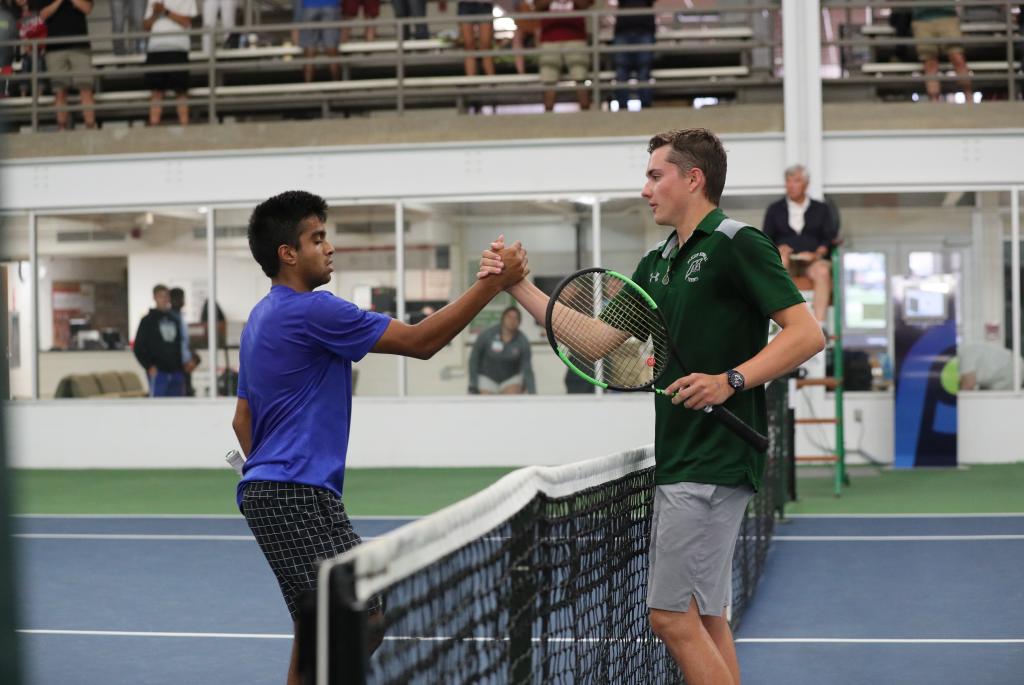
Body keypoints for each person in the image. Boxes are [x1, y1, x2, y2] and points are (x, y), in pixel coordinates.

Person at [482, 128, 823, 685]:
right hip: (683, 457)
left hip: (713, 458)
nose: (645, 189)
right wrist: (517, 285)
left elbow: (806, 334)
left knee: (668, 615)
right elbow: (594, 341)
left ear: (693, 179)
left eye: (654, 175)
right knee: (705, 617)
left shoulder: (738, 243)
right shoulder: (658, 262)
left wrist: (729, 381)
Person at [231, 190, 527, 685]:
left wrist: (269, 469)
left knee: (317, 623)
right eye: (316, 238)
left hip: (280, 490)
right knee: (361, 615)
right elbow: (421, 341)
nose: (329, 248)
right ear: (288, 253)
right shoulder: (314, 310)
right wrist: (494, 287)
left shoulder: (261, 317)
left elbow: (243, 418)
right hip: (293, 494)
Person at [761, 164, 837, 328]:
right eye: (788, 181)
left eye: (796, 181)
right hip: (787, 258)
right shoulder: (774, 209)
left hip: (813, 260)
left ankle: (819, 325)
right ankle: (783, 322)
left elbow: (828, 238)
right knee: (780, 263)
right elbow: (766, 238)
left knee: (822, 271)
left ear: (806, 184)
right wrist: (779, 250)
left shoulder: (821, 209)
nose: (791, 185)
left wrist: (816, 254)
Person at [40, 0, 96, 130]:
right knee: (59, 90)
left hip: (80, 46)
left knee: (85, 87)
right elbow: (43, 14)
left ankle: (90, 126)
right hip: (54, 48)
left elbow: (87, 8)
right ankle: (62, 128)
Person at [142, 0, 197, 126]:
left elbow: (186, 22)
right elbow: (145, 26)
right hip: (155, 49)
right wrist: (156, 14)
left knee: (181, 91)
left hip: (178, 48)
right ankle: (153, 132)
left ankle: (185, 131)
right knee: (156, 92)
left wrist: (165, 11)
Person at [536, 0, 592, 111]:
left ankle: (586, 117)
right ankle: (548, 118)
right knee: (548, 80)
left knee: (580, 77)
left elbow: (586, 4)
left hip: (576, 37)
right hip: (549, 38)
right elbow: (537, 5)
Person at [133, 284, 187, 397]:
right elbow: (138, 347)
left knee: (178, 406)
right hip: (158, 372)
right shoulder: (147, 321)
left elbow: (180, 344)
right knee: (158, 406)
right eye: (161, 296)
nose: (164, 299)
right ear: (155, 297)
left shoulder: (174, 320)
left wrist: (183, 365)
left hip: (176, 371)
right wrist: (148, 366)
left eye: (166, 296)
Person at [468, 305, 535, 394]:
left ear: (519, 322)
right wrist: (473, 384)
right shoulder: (487, 334)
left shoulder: (522, 341)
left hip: (510, 379)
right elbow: (474, 359)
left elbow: (527, 368)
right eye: (509, 317)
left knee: (513, 399)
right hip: (487, 378)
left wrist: (533, 394)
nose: (512, 321)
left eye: (516, 318)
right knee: (484, 403)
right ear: (502, 319)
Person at [911, 4, 972, 103]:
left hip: (948, 16)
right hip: (922, 19)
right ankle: (934, 103)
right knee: (929, 63)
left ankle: (969, 99)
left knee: (957, 58)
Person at [611, 0, 655, 111]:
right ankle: (622, 106)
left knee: (644, 70)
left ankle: (645, 106)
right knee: (621, 70)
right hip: (624, 28)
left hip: (644, 28)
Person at [960, 322, 1020, 391]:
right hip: (1013, 365)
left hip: (1013, 370)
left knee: (994, 399)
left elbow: (968, 385)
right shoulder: (967, 349)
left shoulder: (965, 355)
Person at [294, 0, 341, 82]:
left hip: (309, 5)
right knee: (332, 48)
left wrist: (295, 23)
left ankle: (308, 87)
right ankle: (338, 86)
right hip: (330, 4)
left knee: (309, 50)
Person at [169, 287, 200, 396]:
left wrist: (192, 358)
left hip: (186, 364)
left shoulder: (180, 317)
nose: (181, 301)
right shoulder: (170, 318)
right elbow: (174, 344)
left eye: (181, 298)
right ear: (170, 300)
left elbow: (185, 341)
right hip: (178, 366)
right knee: (182, 395)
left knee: (188, 393)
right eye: (177, 298)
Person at [457, 0, 494, 76]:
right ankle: (471, 80)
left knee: (486, 45)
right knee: (468, 46)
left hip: (484, 4)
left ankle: (492, 81)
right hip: (465, 4)